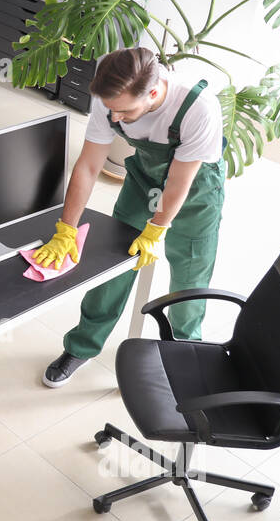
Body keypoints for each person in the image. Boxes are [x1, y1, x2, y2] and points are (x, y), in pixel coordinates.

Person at [35, 48, 226, 387]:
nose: (116, 118)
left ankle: (184, 353)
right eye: (111, 110)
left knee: (189, 276)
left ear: (153, 93)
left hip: (196, 191)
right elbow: (89, 165)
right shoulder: (111, 98)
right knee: (112, 265)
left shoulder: (198, 107)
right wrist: (67, 227)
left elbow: (180, 182)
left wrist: (156, 230)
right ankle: (82, 346)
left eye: (124, 111)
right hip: (143, 181)